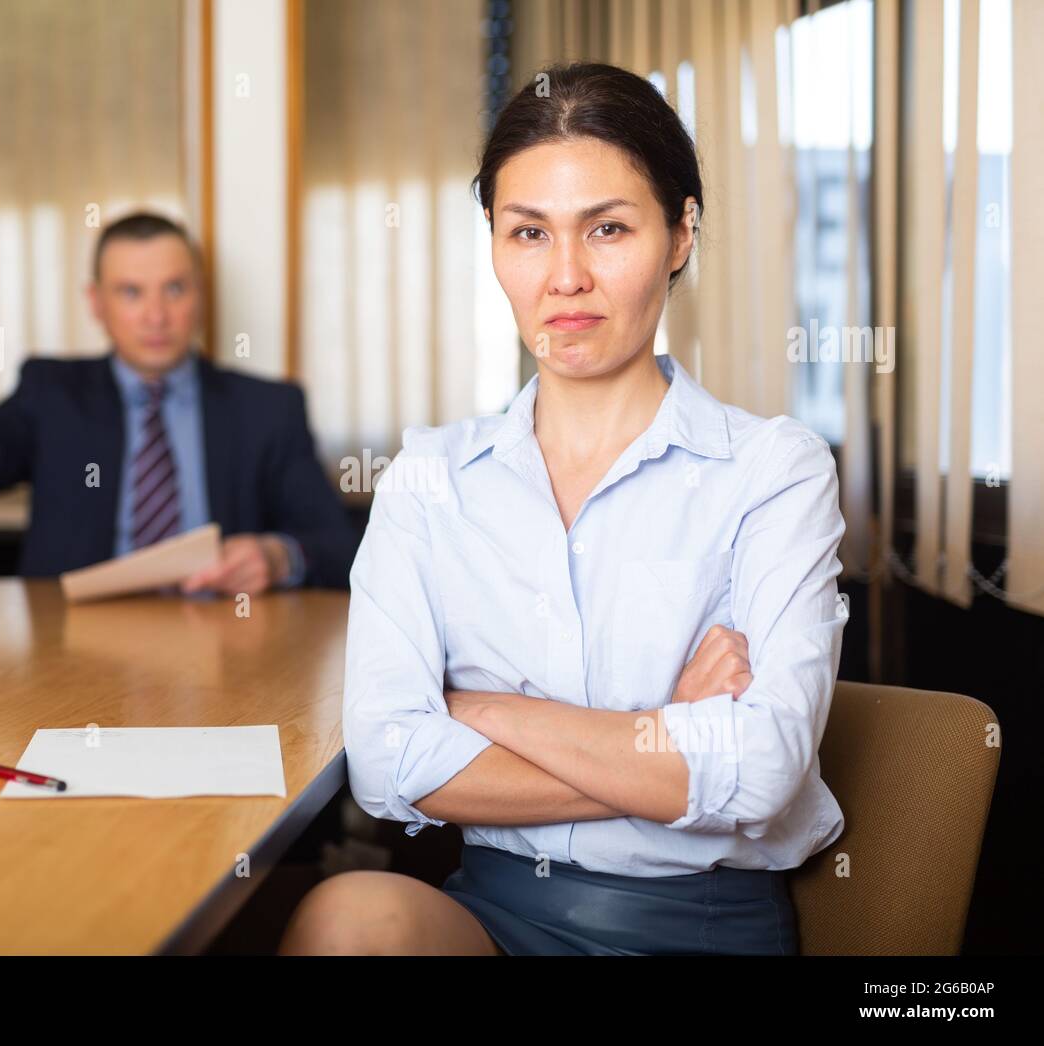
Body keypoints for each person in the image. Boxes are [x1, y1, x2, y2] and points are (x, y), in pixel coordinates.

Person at [280, 62, 847, 955]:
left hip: (697, 928)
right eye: (529, 233)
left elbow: (762, 771)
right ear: (495, 245)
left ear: (681, 233)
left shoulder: (772, 470)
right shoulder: (430, 477)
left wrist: (482, 712)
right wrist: (659, 736)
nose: (566, 277)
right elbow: (388, 764)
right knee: (349, 919)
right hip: (493, 914)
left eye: (608, 228)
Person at [0, 213, 358, 592]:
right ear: (96, 303)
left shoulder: (268, 409)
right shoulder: (52, 393)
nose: (155, 315)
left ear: (200, 296)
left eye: (175, 289)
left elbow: (339, 546)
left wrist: (278, 557)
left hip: (229, 654)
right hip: (72, 666)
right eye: (130, 292)